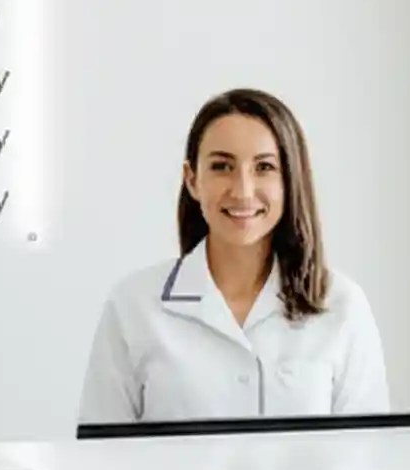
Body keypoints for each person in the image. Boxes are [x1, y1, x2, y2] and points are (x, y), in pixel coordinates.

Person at [78, 88, 390, 424]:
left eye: (264, 167)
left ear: (290, 180)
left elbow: (367, 451)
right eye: (222, 166)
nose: (242, 190)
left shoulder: (342, 306)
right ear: (192, 180)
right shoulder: (133, 306)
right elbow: (100, 451)